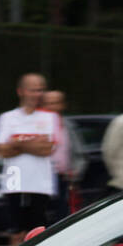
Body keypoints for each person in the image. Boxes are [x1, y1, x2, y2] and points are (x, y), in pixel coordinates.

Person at [0, 72, 58, 246]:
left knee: (38, 236)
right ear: (21, 91)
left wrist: (16, 142)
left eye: (40, 90)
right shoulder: (7, 118)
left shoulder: (49, 117)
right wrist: (32, 143)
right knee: (16, 234)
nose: (37, 94)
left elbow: (46, 149)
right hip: (14, 183)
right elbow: (1, 150)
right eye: (33, 90)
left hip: (40, 185)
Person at [42, 89, 85, 223]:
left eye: (56, 103)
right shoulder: (36, 126)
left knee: (63, 216)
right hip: (42, 180)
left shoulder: (69, 126)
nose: (53, 107)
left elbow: (80, 153)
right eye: (49, 103)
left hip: (65, 179)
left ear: (63, 105)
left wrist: (77, 171)